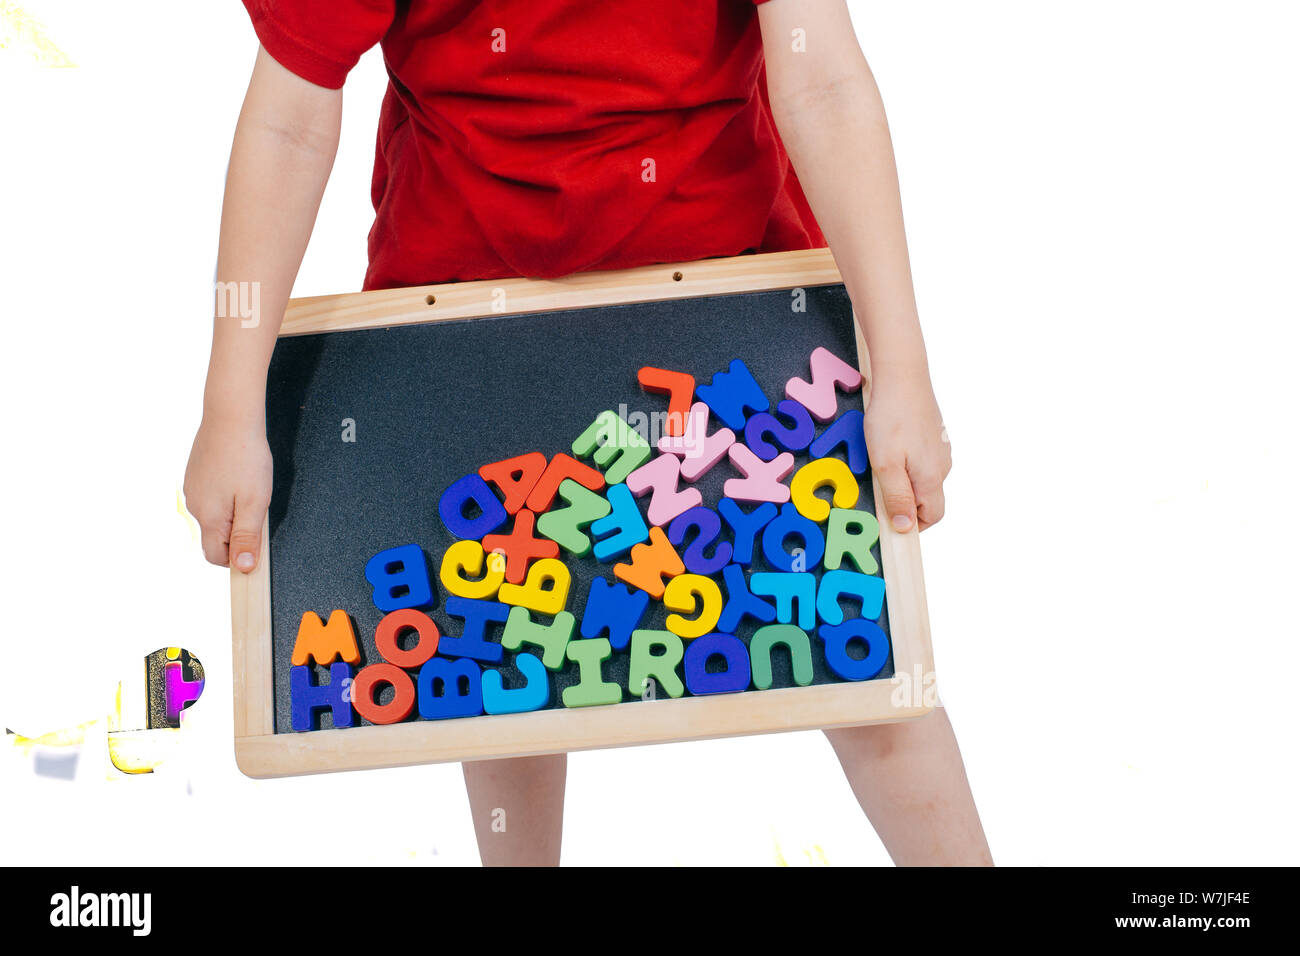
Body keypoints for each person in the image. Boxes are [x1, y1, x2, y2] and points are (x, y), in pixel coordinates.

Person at [185, 0, 992, 865]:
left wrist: (901, 365)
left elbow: (825, 81)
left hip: (729, 290)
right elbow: (289, 120)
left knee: (864, 657)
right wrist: (231, 406)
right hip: (469, 310)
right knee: (508, 666)